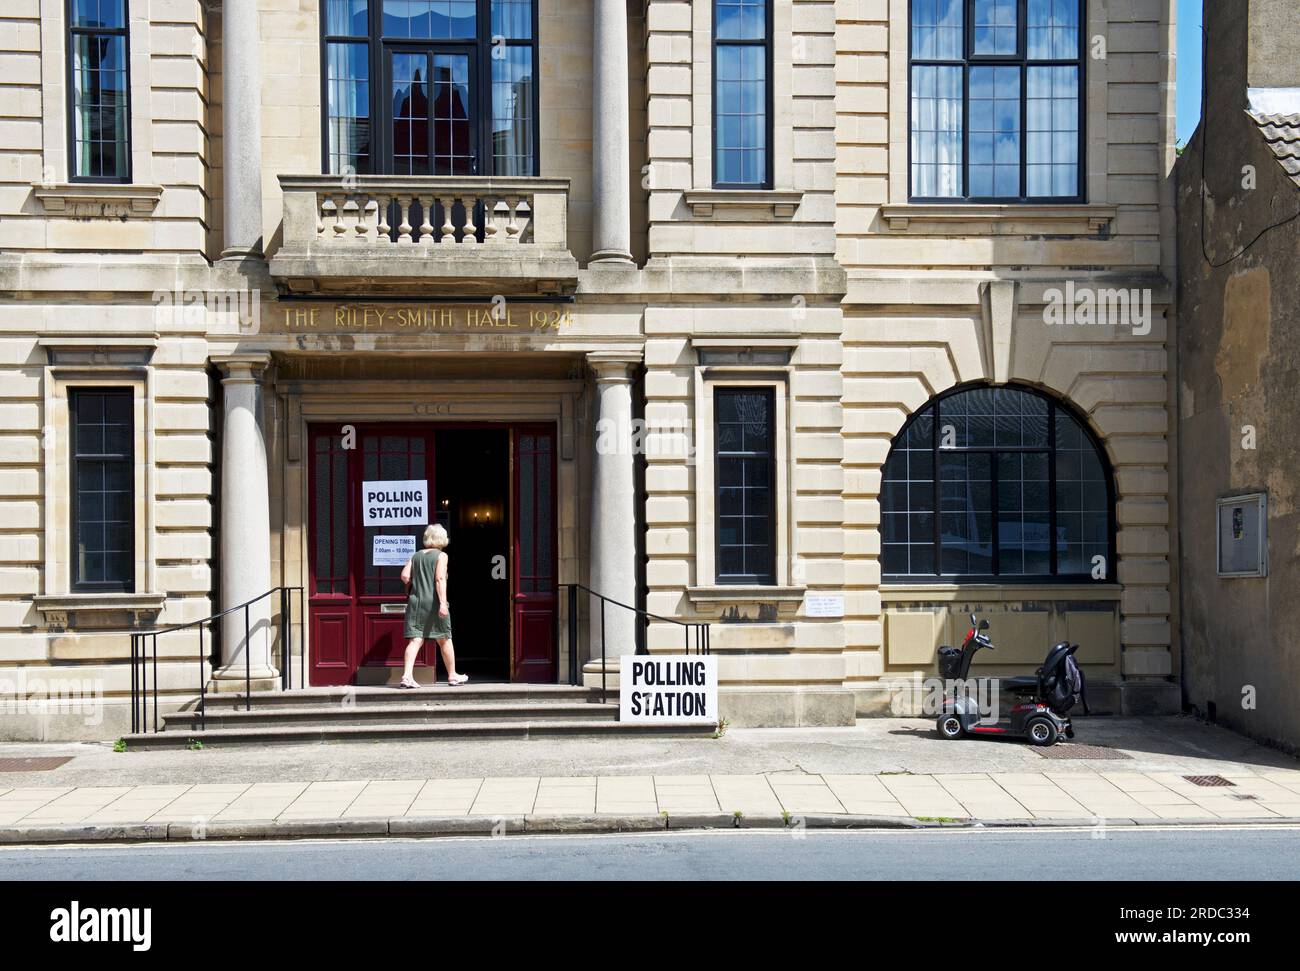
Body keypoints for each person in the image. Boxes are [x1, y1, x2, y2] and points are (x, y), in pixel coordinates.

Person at [398, 524, 468, 687]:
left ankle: (407, 676)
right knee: (444, 638)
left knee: (415, 639)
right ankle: (452, 675)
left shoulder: (416, 555)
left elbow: (404, 576)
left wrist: (416, 584)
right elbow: (439, 579)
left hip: (416, 601)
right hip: (434, 602)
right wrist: (443, 603)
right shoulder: (441, 556)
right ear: (442, 538)